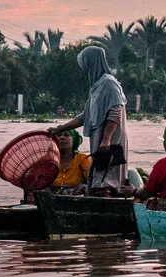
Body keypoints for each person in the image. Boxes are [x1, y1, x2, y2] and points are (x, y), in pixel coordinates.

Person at [50, 46, 129, 195]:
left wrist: (106, 139)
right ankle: (99, 191)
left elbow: (115, 112)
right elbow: (84, 117)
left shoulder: (109, 83)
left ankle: (108, 192)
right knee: (100, 170)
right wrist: (59, 129)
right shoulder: (96, 87)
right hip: (100, 138)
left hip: (110, 138)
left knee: (109, 171)